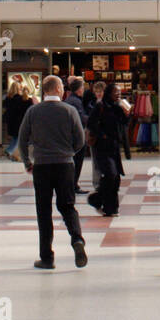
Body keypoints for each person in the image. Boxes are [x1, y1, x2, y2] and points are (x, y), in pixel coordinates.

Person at [19, 75, 87, 270]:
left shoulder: (33, 112)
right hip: (65, 165)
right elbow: (80, 139)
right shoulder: (70, 110)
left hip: (41, 166)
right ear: (58, 89)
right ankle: (77, 240)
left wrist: (27, 162)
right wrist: (69, 152)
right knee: (67, 206)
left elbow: (22, 139)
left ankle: (47, 257)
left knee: (44, 211)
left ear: (44, 90)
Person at [87, 83, 127, 216]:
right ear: (109, 93)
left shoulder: (117, 108)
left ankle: (107, 205)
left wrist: (126, 112)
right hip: (102, 148)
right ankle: (101, 202)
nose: (118, 94)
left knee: (115, 178)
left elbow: (123, 124)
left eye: (120, 92)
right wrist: (102, 135)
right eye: (116, 92)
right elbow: (91, 124)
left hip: (114, 148)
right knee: (110, 174)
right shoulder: (100, 106)